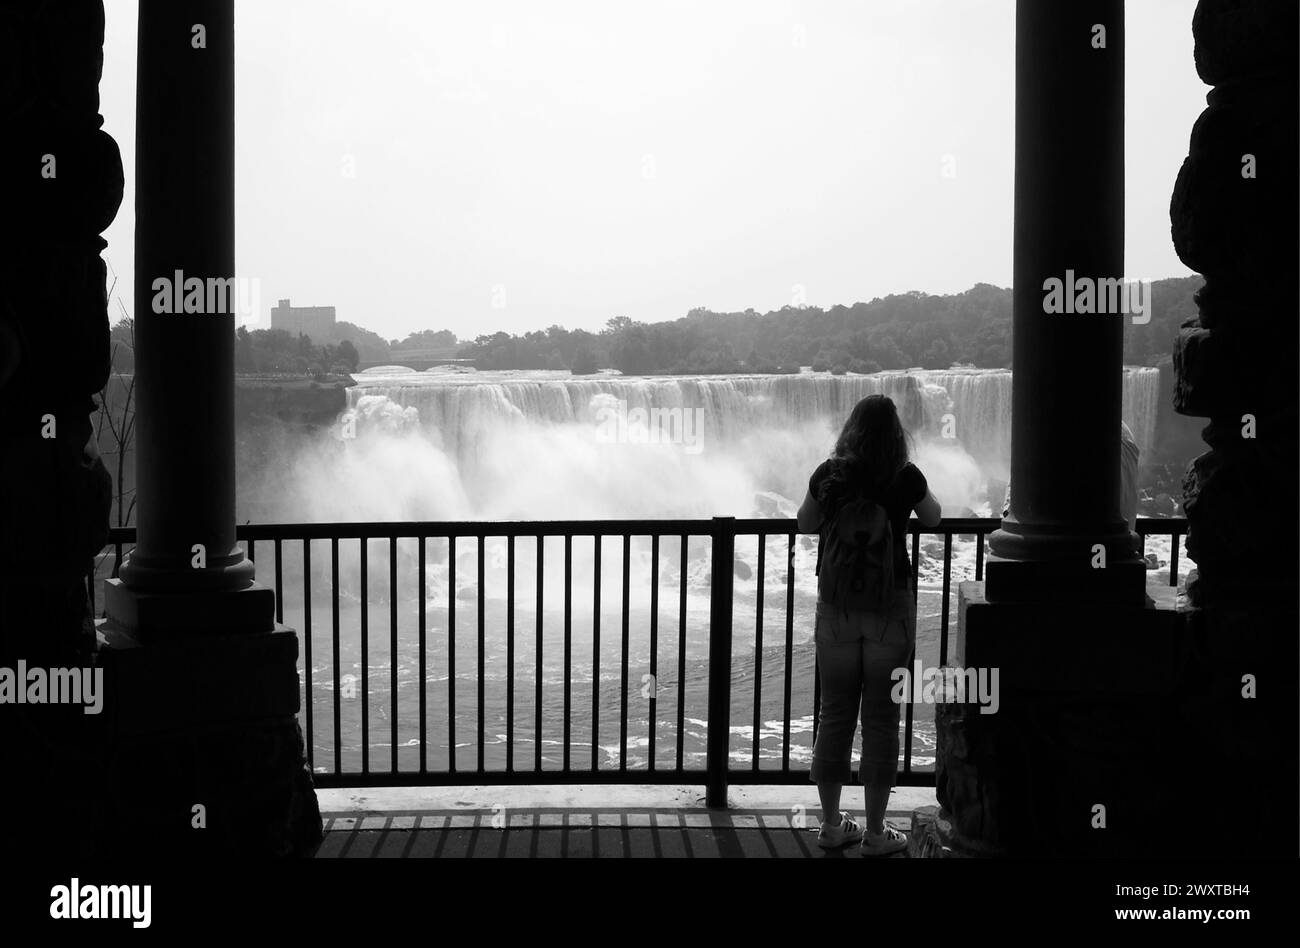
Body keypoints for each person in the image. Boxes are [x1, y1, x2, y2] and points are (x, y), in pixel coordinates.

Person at [797, 395, 941, 855]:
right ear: (896, 433)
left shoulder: (831, 472)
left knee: (835, 714)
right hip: (889, 607)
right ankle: (877, 834)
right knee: (881, 719)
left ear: (851, 429)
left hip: (836, 607)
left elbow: (804, 524)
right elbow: (935, 518)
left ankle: (831, 827)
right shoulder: (904, 476)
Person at [1001, 421, 1140, 531]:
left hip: (1093, 540)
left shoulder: (1054, 431)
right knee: (1099, 563)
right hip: (1114, 542)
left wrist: (1010, 509)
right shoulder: (1122, 433)